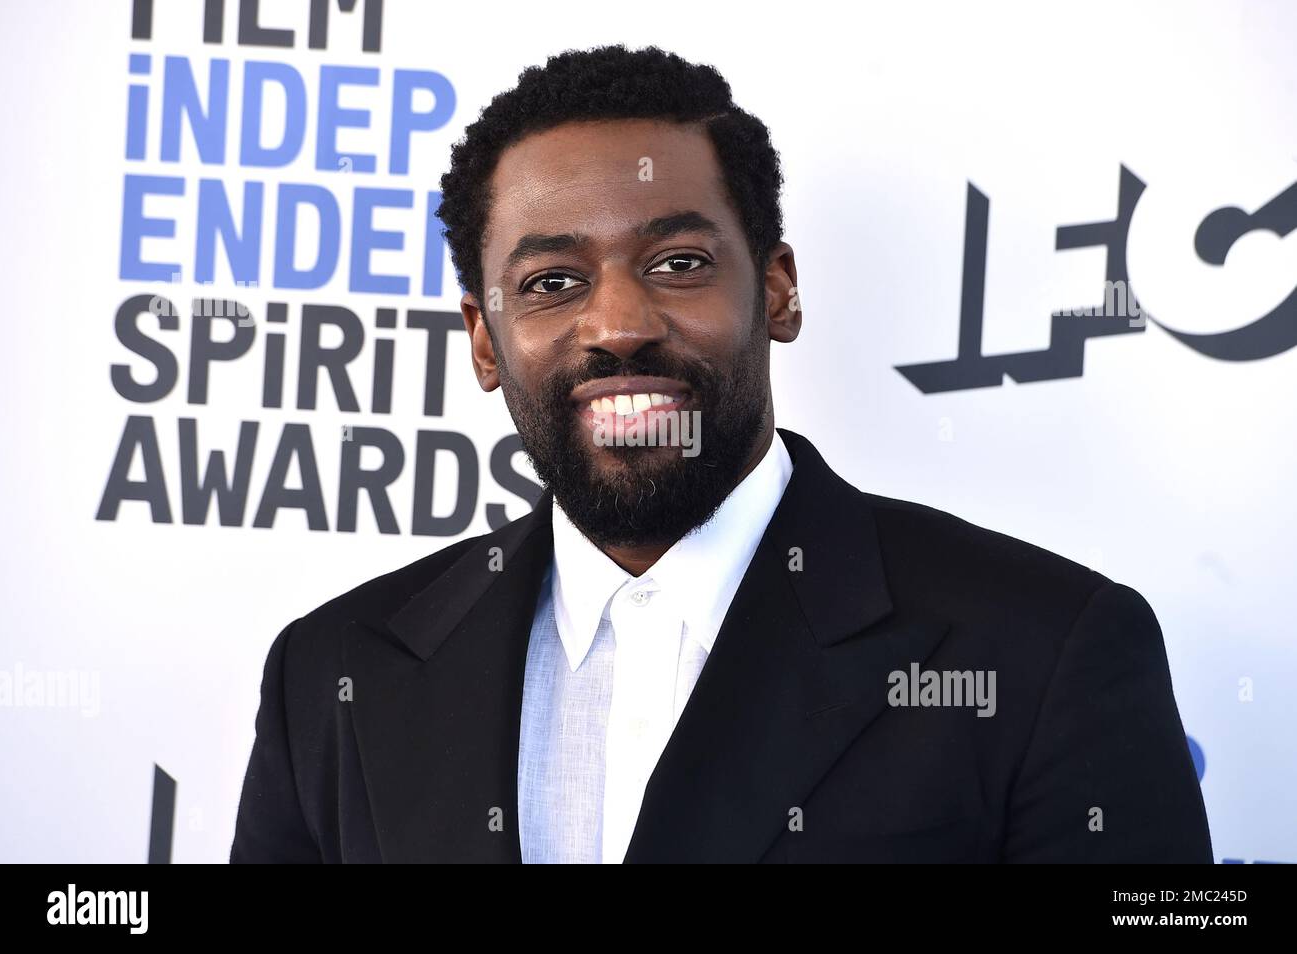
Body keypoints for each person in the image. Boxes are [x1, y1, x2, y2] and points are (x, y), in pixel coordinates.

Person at [230, 44, 1212, 863]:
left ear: (777, 290)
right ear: (484, 341)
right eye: (551, 280)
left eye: (678, 263)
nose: (617, 323)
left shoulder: (1046, 648)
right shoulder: (331, 675)